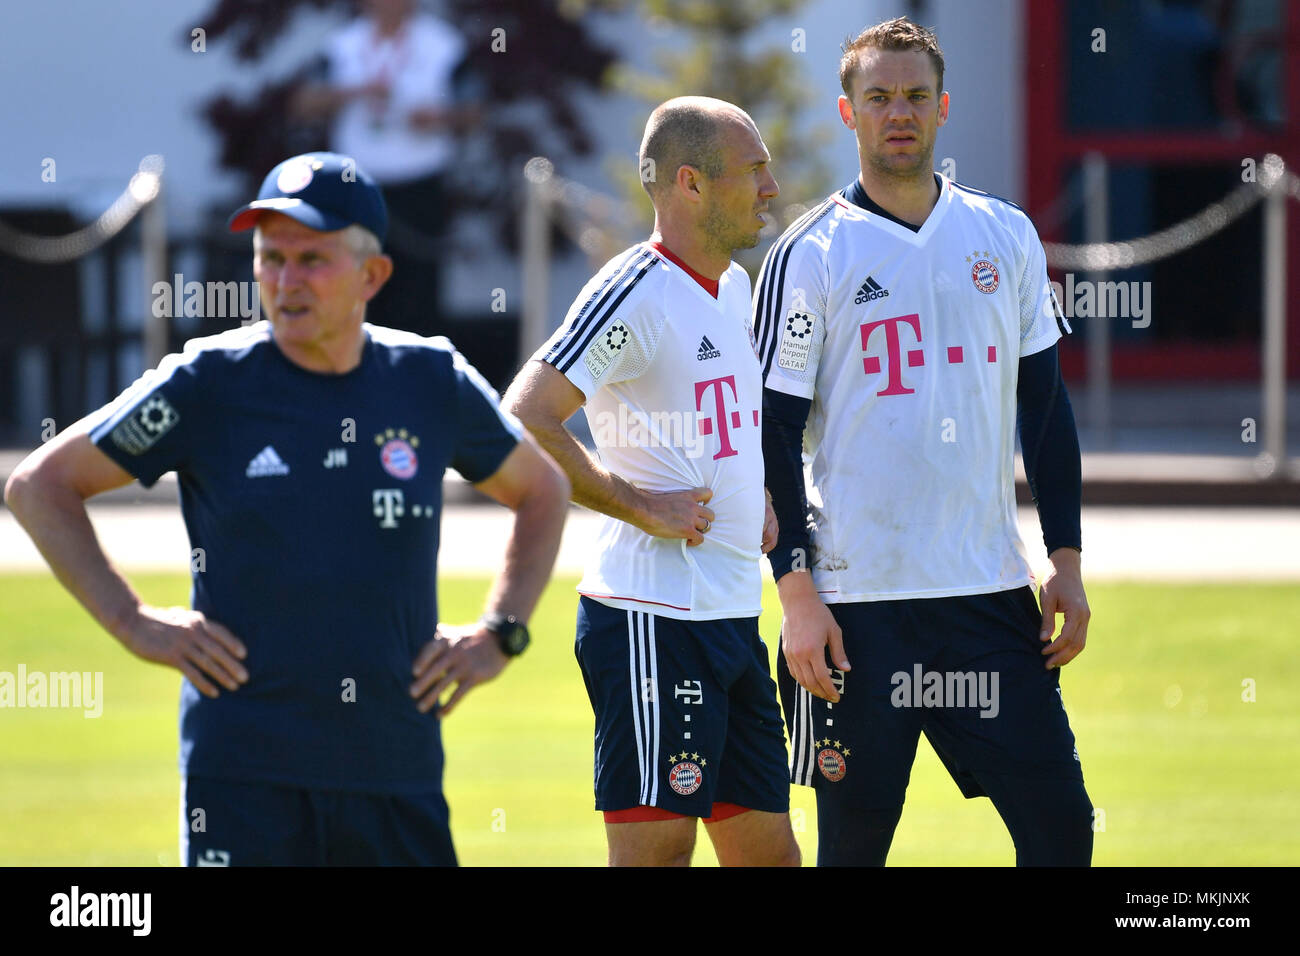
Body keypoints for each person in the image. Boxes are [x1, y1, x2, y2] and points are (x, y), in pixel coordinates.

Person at [3, 152, 570, 866]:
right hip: (242, 776)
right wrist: (131, 621)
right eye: (270, 259)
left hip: (394, 770)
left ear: (373, 276)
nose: (284, 281)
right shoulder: (206, 382)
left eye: (311, 259)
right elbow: (39, 486)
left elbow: (543, 490)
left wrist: (501, 633)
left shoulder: (430, 380)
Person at [755, 18, 1094, 866]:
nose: (897, 113)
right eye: (878, 98)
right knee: (855, 849)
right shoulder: (809, 253)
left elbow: (1045, 414)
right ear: (848, 113)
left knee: (1061, 829)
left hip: (985, 594)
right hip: (856, 608)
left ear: (941, 108)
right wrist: (797, 596)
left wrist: (1068, 559)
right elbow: (773, 433)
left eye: (913, 97)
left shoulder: (1005, 236)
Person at [503, 97, 800, 867]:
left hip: (732, 615)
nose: (771, 188)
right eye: (755, 171)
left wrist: (754, 492)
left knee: (771, 857)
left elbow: (717, 425)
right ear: (692, 184)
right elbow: (527, 415)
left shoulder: (733, 287)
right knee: (657, 857)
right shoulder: (634, 290)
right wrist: (636, 505)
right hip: (652, 622)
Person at [291, 0, 478, 336]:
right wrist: (356, 92)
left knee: (418, 294)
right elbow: (304, 103)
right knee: (357, 288)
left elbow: (476, 112)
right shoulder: (342, 45)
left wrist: (441, 118)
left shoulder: (444, 45)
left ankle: (414, 379)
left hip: (420, 187)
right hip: (358, 186)